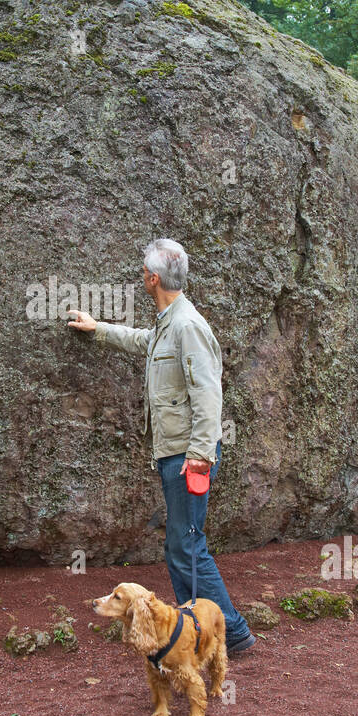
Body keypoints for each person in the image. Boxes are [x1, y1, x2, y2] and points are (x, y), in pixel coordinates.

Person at [67, 238, 257, 656]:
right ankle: (199, 628)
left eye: (143, 272)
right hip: (174, 452)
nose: (141, 278)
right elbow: (144, 342)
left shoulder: (188, 325)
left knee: (187, 544)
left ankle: (232, 632)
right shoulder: (169, 322)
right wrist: (99, 329)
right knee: (180, 546)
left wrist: (200, 457)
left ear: (153, 278)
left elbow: (209, 395)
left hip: (188, 456)